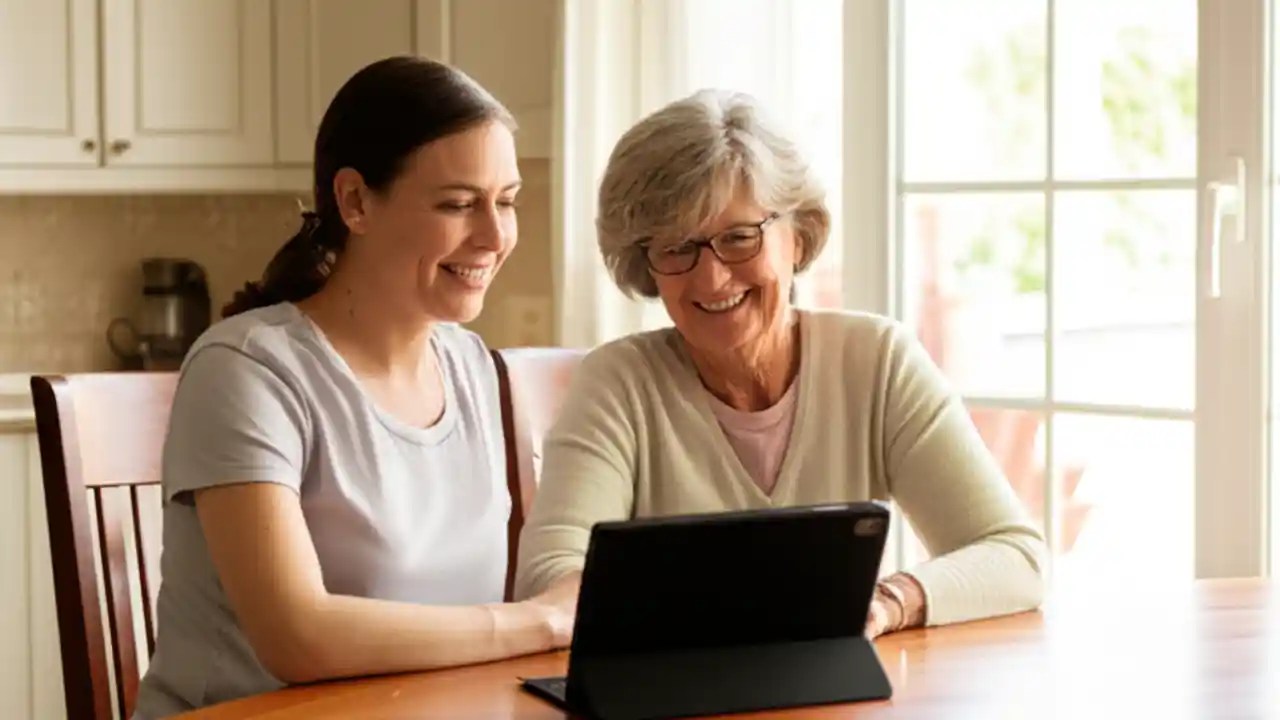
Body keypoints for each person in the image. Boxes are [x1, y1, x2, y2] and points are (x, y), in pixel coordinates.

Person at [133, 56, 575, 719]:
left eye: (506, 201)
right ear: (355, 201)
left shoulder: (476, 368)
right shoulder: (246, 369)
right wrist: (539, 621)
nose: (494, 235)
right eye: (458, 204)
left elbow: (532, 584)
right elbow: (297, 638)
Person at [514, 89, 1047, 638]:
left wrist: (889, 602)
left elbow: (1016, 555)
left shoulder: (877, 362)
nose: (712, 278)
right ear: (646, 264)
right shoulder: (618, 384)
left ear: (799, 235)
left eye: (739, 238)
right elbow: (550, 580)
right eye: (677, 249)